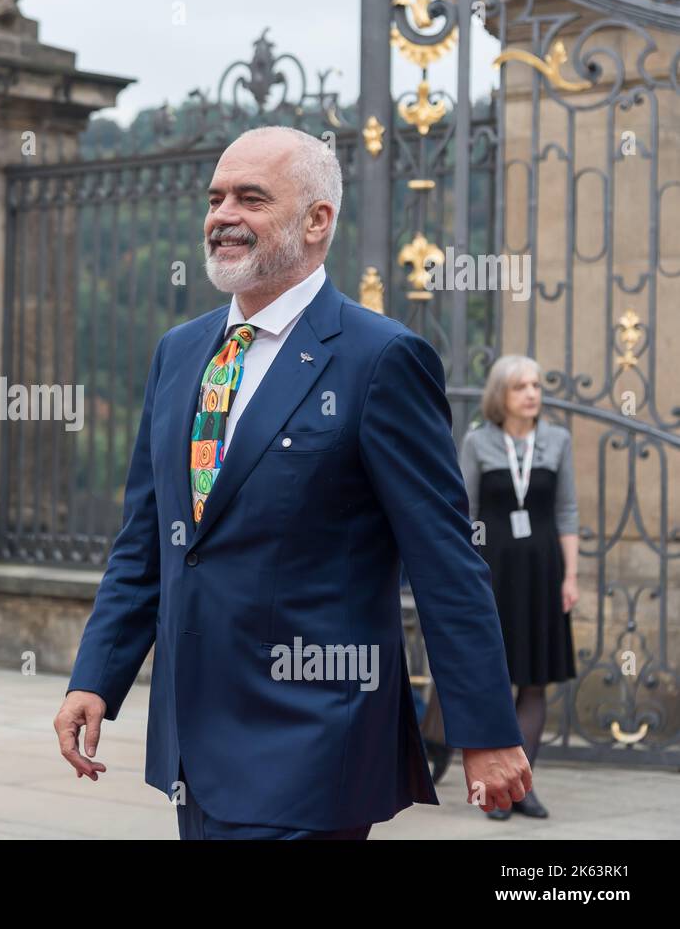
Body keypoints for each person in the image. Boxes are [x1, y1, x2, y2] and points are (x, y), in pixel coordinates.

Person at [52, 125, 530, 840]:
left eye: (251, 197)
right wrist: (96, 674)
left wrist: (485, 728)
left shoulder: (381, 360)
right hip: (193, 743)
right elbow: (147, 541)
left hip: (313, 739)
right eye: (215, 198)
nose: (223, 216)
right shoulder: (179, 354)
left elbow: (444, 559)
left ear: (317, 220)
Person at [459, 355, 579, 821]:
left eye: (536, 384)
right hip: (492, 571)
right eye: (520, 387)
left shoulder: (559, 440)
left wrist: (570, 576)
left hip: (544, 573)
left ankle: (520, 790)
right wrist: (466, 574)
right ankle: (494, 786)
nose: (532, 393)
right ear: (500, 396)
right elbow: (465, 511)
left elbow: (567, 512)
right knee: (493, 677)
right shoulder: (478, 442)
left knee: (534, 680)